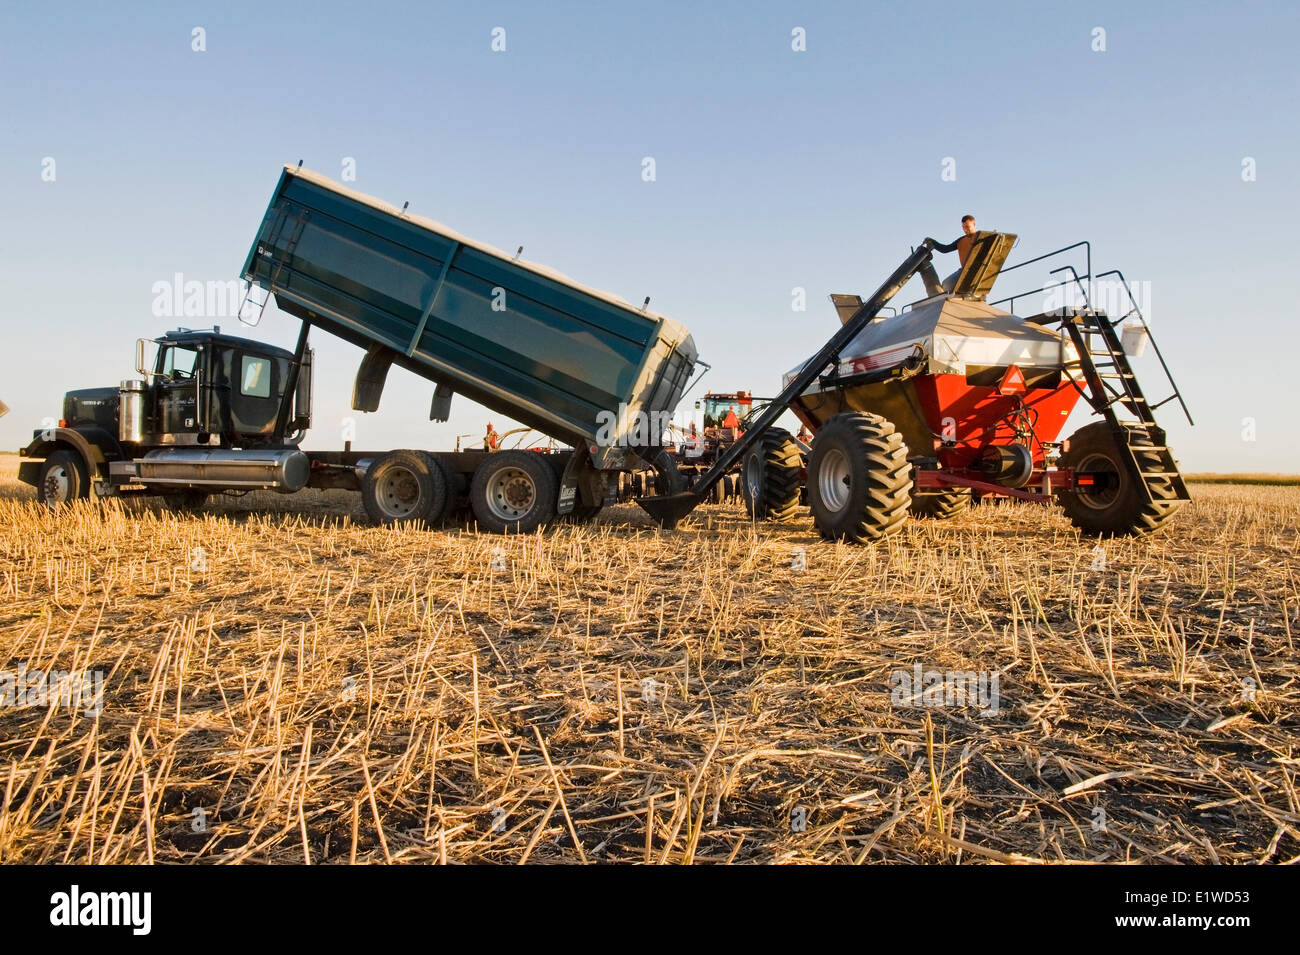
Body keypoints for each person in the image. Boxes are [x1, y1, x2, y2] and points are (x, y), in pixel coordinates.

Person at [936, 214, 979, 292]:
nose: (965, 230)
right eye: (963, 227)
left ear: (974, 224)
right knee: (946, 284)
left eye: (967, 227)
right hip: (964, 270)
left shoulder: (982, 237)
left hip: (977, 270)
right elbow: (945, 249)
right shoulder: (961, 241)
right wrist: (933, 243)